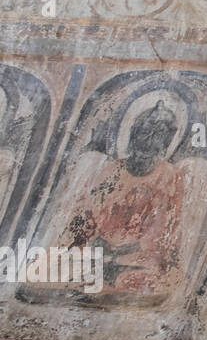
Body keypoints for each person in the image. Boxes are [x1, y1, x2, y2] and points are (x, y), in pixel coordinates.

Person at [58, 99, 188, 295]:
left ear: (165, 143)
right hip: (97, 252)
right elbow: (88, 217)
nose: (148, 142)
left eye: (157, 136)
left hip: (137, 258)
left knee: (153, 280)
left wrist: (118, 257)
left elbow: (165, 234)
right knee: (57, 270)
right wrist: (86, 244)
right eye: (144, 133)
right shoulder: (111, 170)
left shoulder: (171, 176)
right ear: (133, 135)